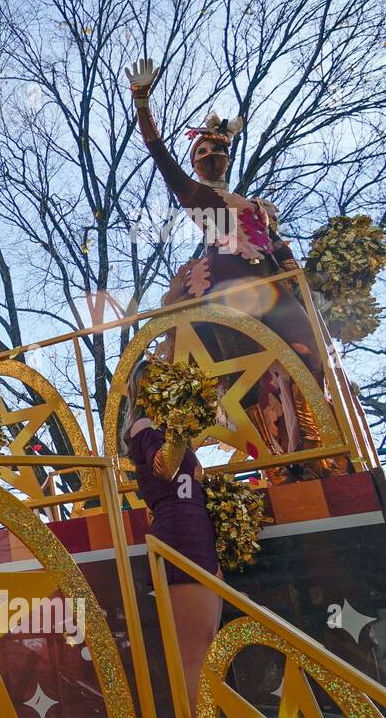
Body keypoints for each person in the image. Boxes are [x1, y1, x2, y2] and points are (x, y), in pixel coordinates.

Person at [125, 57, 339, 481]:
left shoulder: (254, 206)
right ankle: (278, 461)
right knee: (246, 374)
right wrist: (143, 105)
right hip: (226, 284)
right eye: (201, 151)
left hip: (273, 283)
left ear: (228, 155)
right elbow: (162, 160)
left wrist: (301, 281)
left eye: (218, 149)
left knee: (307, 351)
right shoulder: (200, 198)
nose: (211, 155)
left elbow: (275, 245)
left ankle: (313, 450)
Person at [121, 356, 267, 718]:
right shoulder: (143, 427)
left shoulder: (167, 428)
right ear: (153, 387)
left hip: (196, 538)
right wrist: (182, 424)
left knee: (205, 656)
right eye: (166, 377)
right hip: (178, 537)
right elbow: (165, 466)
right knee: (193, 658)